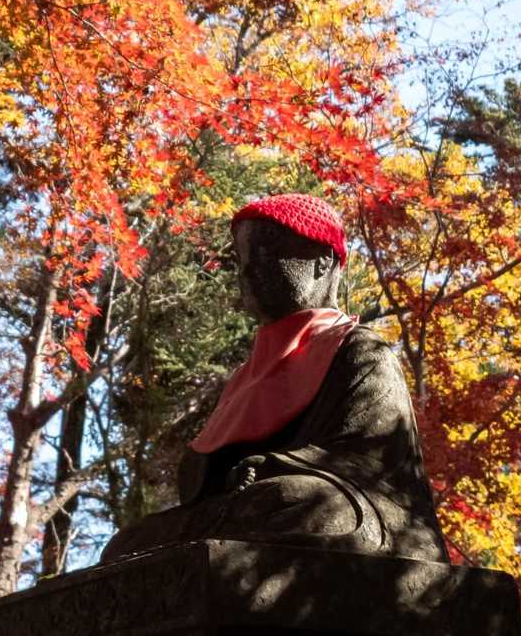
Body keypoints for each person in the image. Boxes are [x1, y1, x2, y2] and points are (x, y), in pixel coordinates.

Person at [102, 194, 449, 564]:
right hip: (246, 509)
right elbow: (199, 482)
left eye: (266, 255)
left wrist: (276, 465)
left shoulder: (359, 350)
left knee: (294, 502)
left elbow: (375, 457)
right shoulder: (244, 377)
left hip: (343, 503)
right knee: (128, 542)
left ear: (322, 262)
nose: (248, 272)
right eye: (242, 261)